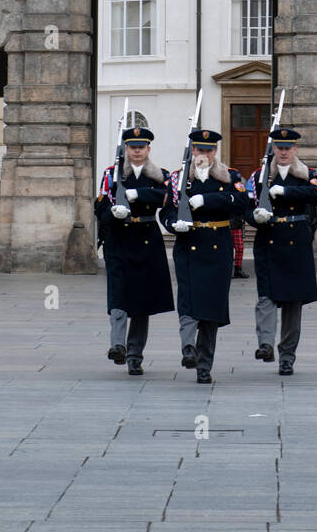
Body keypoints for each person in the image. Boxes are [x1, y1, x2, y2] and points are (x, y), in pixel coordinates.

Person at [160, 129, 246, 384]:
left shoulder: (230, 176)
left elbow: (242, 202)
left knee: (211, 308)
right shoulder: (177, 179)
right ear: (192, 150)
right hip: (189, 245)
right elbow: (166, 212)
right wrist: (174, 225)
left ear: (215, 152)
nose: (203, 155)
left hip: (218, 246)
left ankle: (204, 364)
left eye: (208, 150)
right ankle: (188, 348)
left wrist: (205, 200)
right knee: (187, 298)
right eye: (199, 150)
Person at [95, 125, 174, 375]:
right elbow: (100, 206)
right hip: (119, 239)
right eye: (132, 147)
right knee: (118, 295)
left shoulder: (160, 175)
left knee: (141, 302)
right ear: (126, 149)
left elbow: (164, 199)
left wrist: (133, 195)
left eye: (141, 147)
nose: (136, 151)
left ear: (148, 149)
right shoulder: (112, 174)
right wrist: (111, 212)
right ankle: (117, 344)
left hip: (146, 239)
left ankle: (134, 355)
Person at [246, 127, 317, 376]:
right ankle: (266, 344)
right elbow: (245, 205)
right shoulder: (260, 175)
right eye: (279, 148)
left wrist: (286, 191)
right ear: (273, 149)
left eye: (288, 147)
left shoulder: (306, 174)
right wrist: (254, 217)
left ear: (295, 149)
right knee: (266, 296)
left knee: (293, 302)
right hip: (268, 239)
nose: (283, 152)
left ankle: (287, 356)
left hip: (295, 242)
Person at [231, 209, 248, 280]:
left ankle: (238, 270)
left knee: (240, 248)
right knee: (227, 250)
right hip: (226, 224)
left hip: (237, 225)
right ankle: (225, 270)